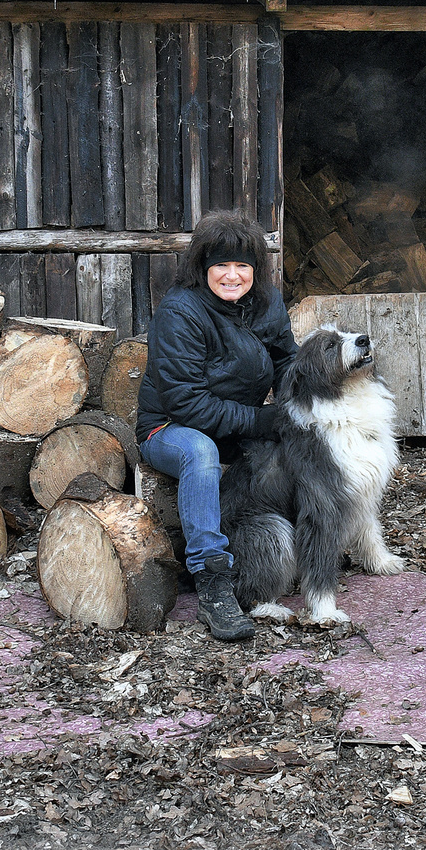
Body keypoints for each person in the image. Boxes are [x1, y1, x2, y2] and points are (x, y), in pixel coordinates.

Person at [136, 210, 297, 642]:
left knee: (295, 443)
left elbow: (287, 363)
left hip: (233, 425)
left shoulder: (267, 302)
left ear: (255, 269)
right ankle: (214, 581)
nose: (232, 275)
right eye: (220, 265)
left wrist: (301, 410)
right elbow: (185, 402)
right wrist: (261, 420)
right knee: (201, 453)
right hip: (171, 428)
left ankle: (302, 550)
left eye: (242, 265)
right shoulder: (180, 312)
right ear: (202, 267)